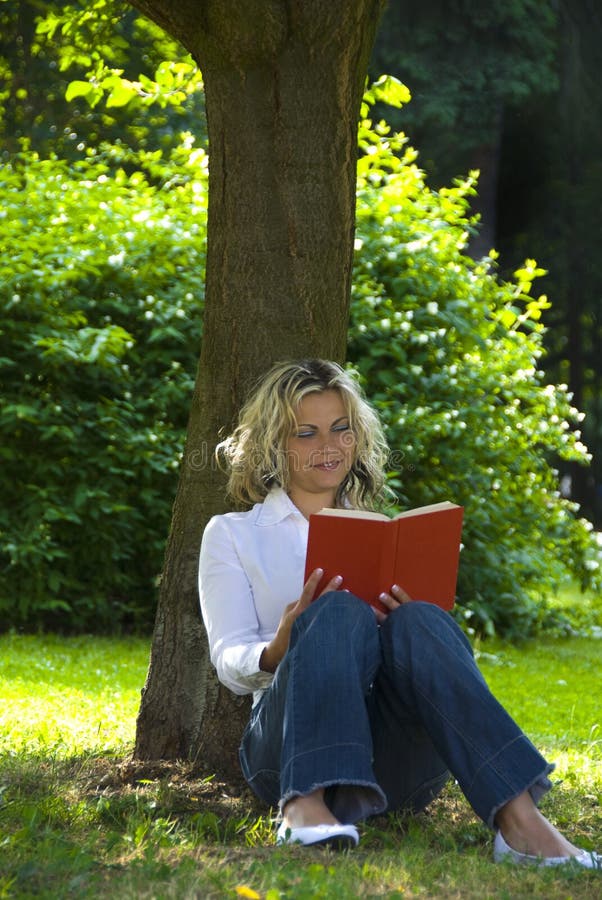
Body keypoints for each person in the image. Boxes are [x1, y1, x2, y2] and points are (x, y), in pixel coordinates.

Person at [198, 358, 600, 866]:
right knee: (336, 610)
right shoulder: (233, 533)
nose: (328, 446)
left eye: (342, 429)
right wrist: (281, 641)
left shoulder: (381, 533)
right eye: (306, 433)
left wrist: (403, 624)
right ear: (274, 445)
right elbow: (229, 660)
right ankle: (304, 806)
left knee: (419, 620)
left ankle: (520, 823)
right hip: (284, 754)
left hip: (396, 765)